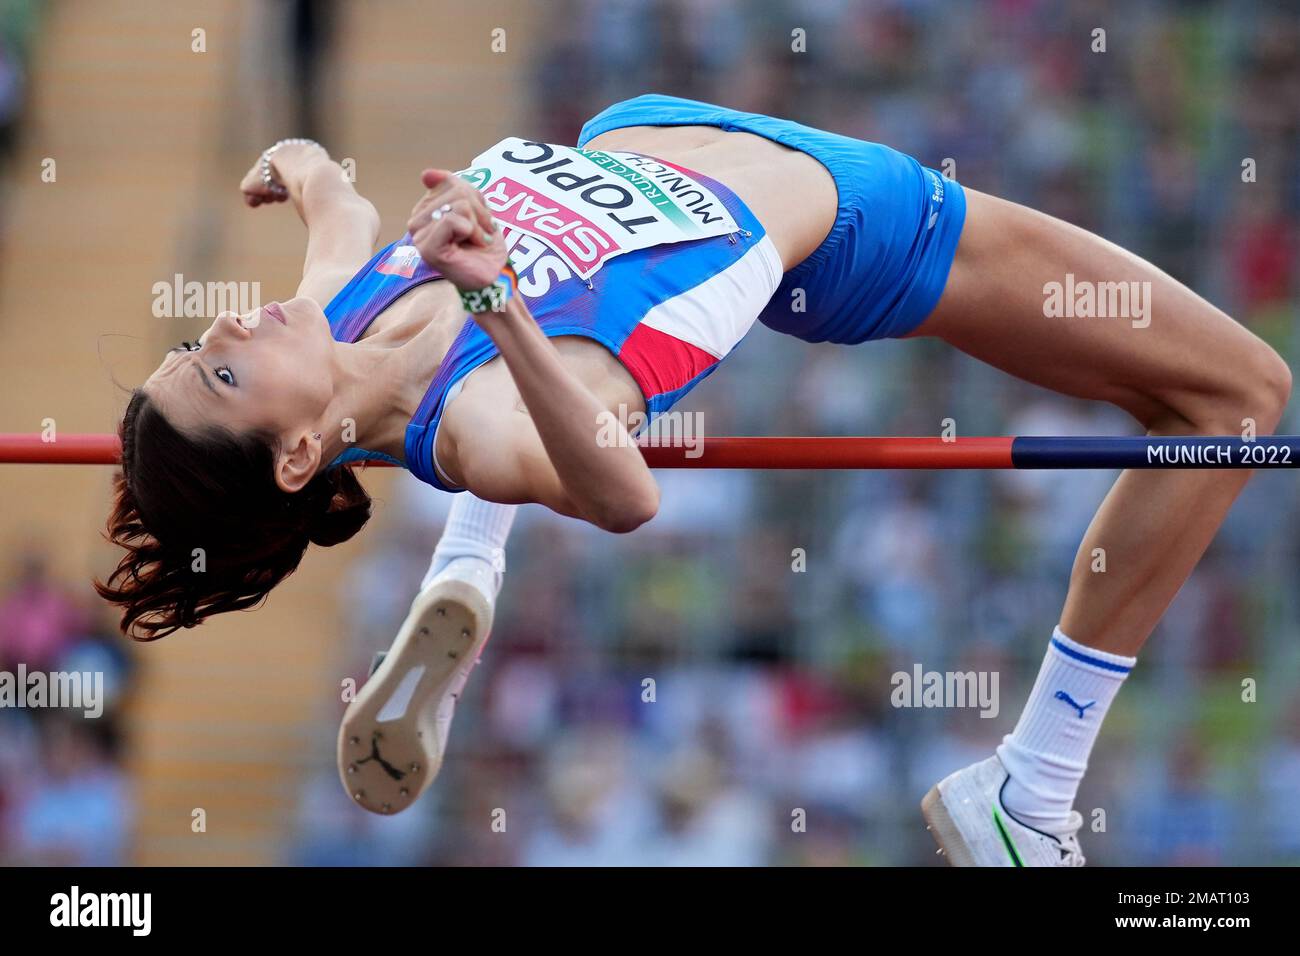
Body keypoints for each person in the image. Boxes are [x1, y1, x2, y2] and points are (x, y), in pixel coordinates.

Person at [96, 94, 1291, 864]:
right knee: (1235, 399)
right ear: (299, 453)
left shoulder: (333, 306)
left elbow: (334, 195)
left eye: (200, 346)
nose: (233, 328)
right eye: (221, 371)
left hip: (641, 131)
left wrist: (295, 161)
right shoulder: (486, 421)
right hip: (863, 225)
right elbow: (622, 493)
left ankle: (472, 557)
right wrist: (492, 294)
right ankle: (1029, 795)